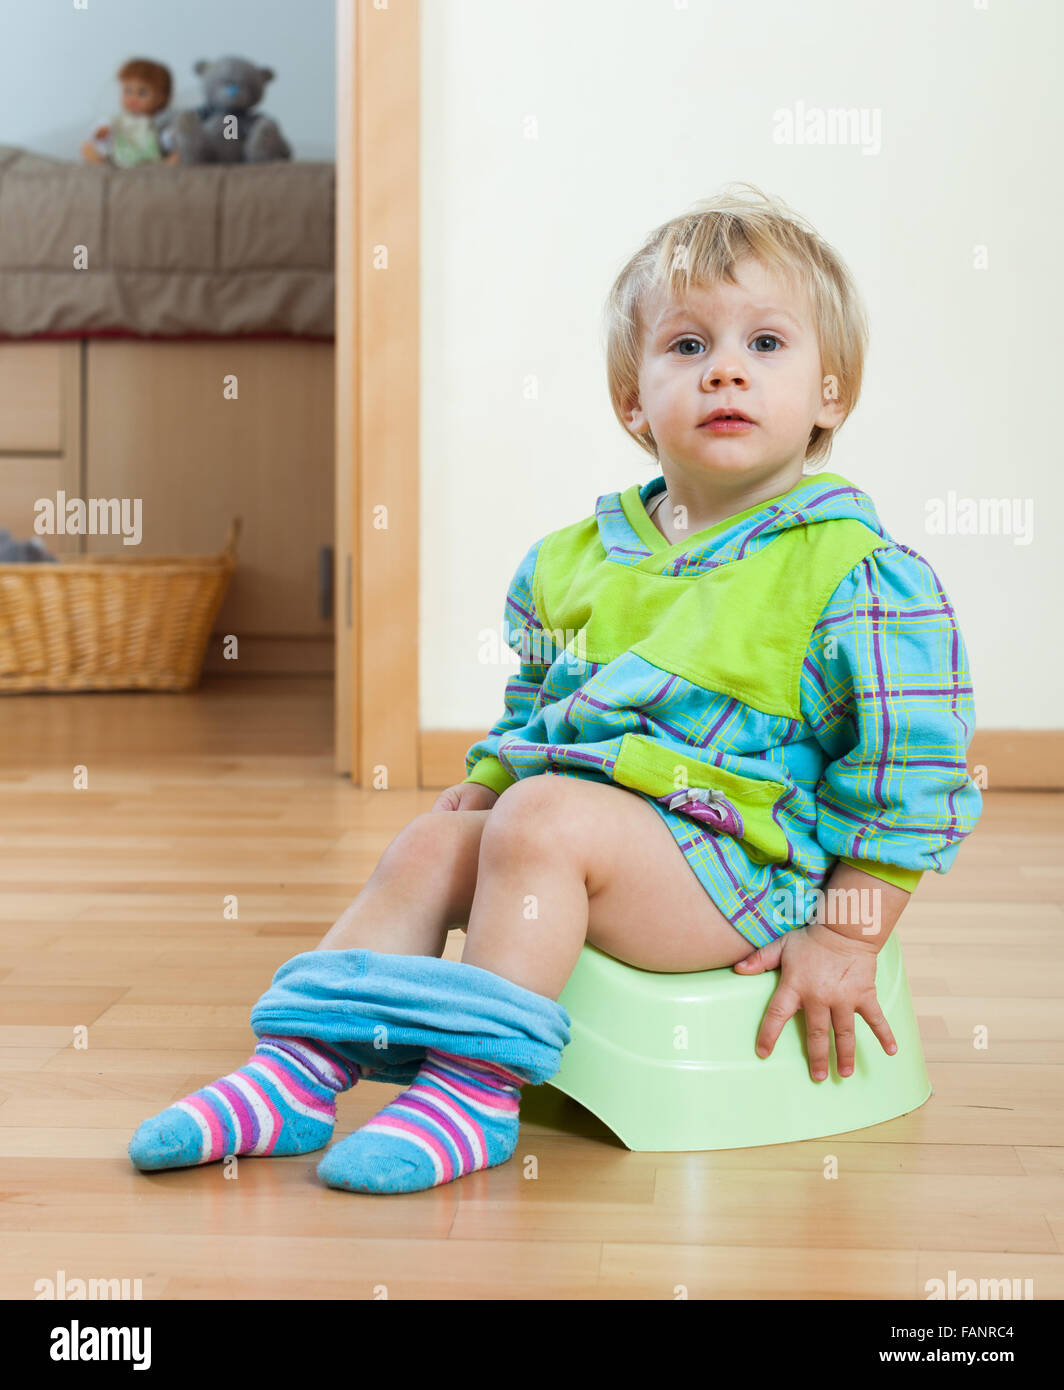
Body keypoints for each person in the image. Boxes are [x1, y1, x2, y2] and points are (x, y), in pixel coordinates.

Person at [128, 183, 981, 1194]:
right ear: (633, 402)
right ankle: (294, 1071)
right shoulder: (571, 559)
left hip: (747, 866)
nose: (722, 371)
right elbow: (536, 705)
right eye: (684, 347)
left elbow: (912, 774)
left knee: (538, 818)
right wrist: (486, 782)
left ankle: (473, 1089)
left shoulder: (854, 573)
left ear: (827, 396)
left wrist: (846, 932)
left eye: (764, 344)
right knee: (433, 839)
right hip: (585, 830)